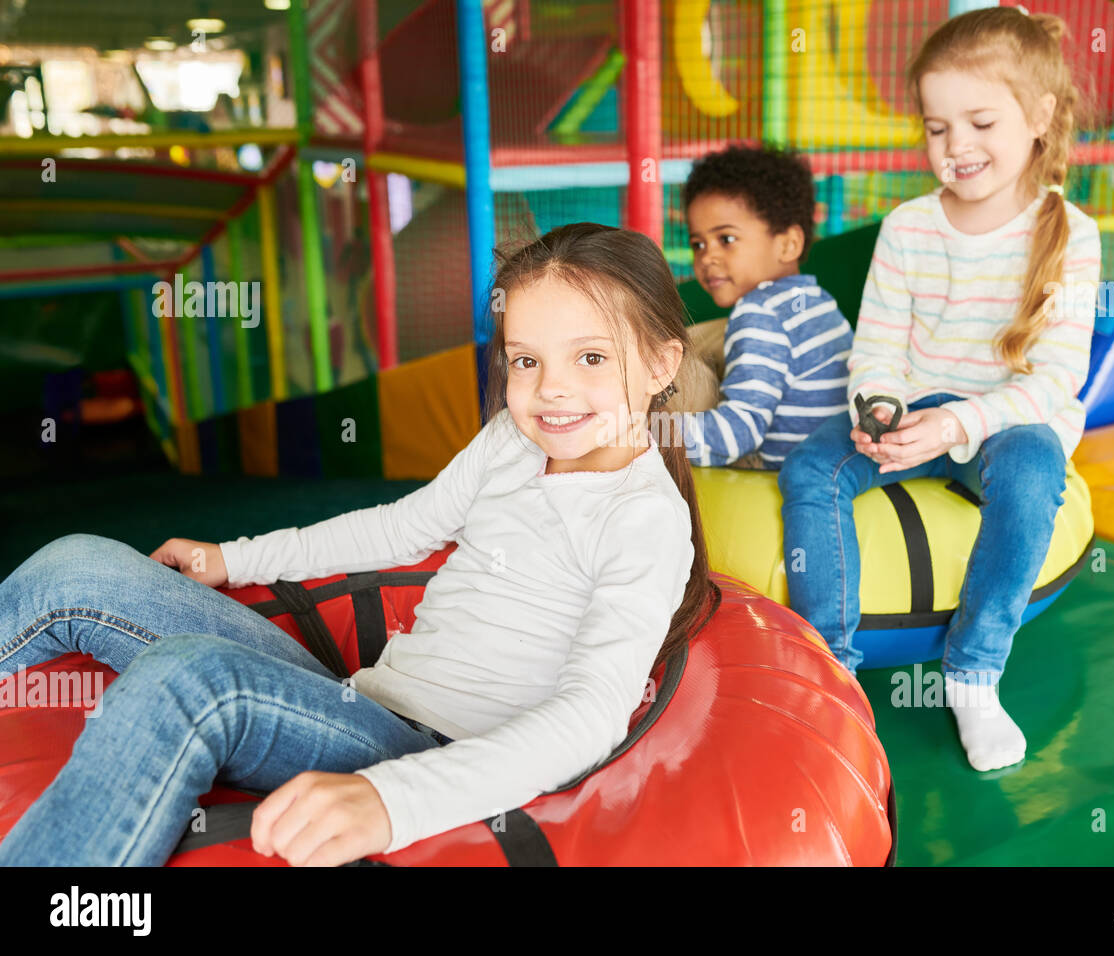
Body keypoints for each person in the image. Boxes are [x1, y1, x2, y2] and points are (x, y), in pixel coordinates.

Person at [0, 223, 713, 866]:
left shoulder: (643, 521)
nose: (552, 390)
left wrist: (391, 801)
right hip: (358, 702)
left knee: (187, 679)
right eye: (526, 362)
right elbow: (400, 528)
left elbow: (589, 716)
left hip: (430, 750)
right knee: (76, 562)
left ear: (659, 364)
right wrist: (231, 557)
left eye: (590, 357)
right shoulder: (511, 441)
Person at [779, 7, 1102, 772]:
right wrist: (879, 406)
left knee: (1031, 471)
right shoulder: (909, 228)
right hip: (918, 410)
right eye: (936, 127)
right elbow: (879, 348)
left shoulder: (1069, 233)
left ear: (1038, 118)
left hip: (1008, 420)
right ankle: (834, 671)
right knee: (809, 469)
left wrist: (959, 423)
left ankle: (974, 675)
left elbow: (1056, 380)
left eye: (980, 122)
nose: (956, 147)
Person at [666, 144, 854, 471]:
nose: (706, 257)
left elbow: (737, 435)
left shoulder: (758, 313)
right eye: (698, 244)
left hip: (782, 467)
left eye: (725, 239)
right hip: (840, 458)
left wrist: (641, 434)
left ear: (787, 244)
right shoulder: (817, 300)